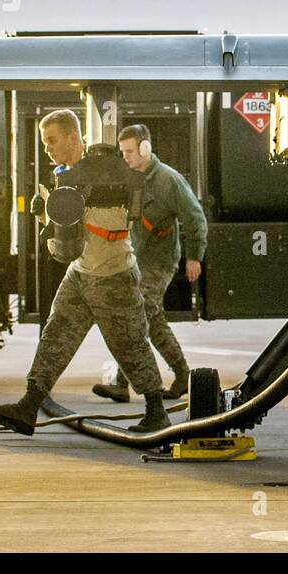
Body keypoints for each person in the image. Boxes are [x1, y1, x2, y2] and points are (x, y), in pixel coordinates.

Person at [0, 109, 170, 435]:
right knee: (55, 336)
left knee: (130, 344)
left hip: (112, 275)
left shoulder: (105, 173)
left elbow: (119, 218)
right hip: (81, 271)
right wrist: (46, 215)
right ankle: (29, 405)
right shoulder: (66, 175)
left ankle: (156, 411)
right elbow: (67, 236)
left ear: (72, 137)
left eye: (52, 140)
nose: (47, 148)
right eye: (44, 142)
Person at [93, 123, 208, 403]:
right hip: (135, 260)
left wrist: (194, 257)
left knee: (136, 316)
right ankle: (183, 377)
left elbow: (196, 219)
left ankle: (122, 383)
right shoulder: (129, 177)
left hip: (160, 262)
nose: (126, 158)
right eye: (122, 152)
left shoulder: (169, 181)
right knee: (154, 324)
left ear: (146, 148)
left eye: (130, 151)